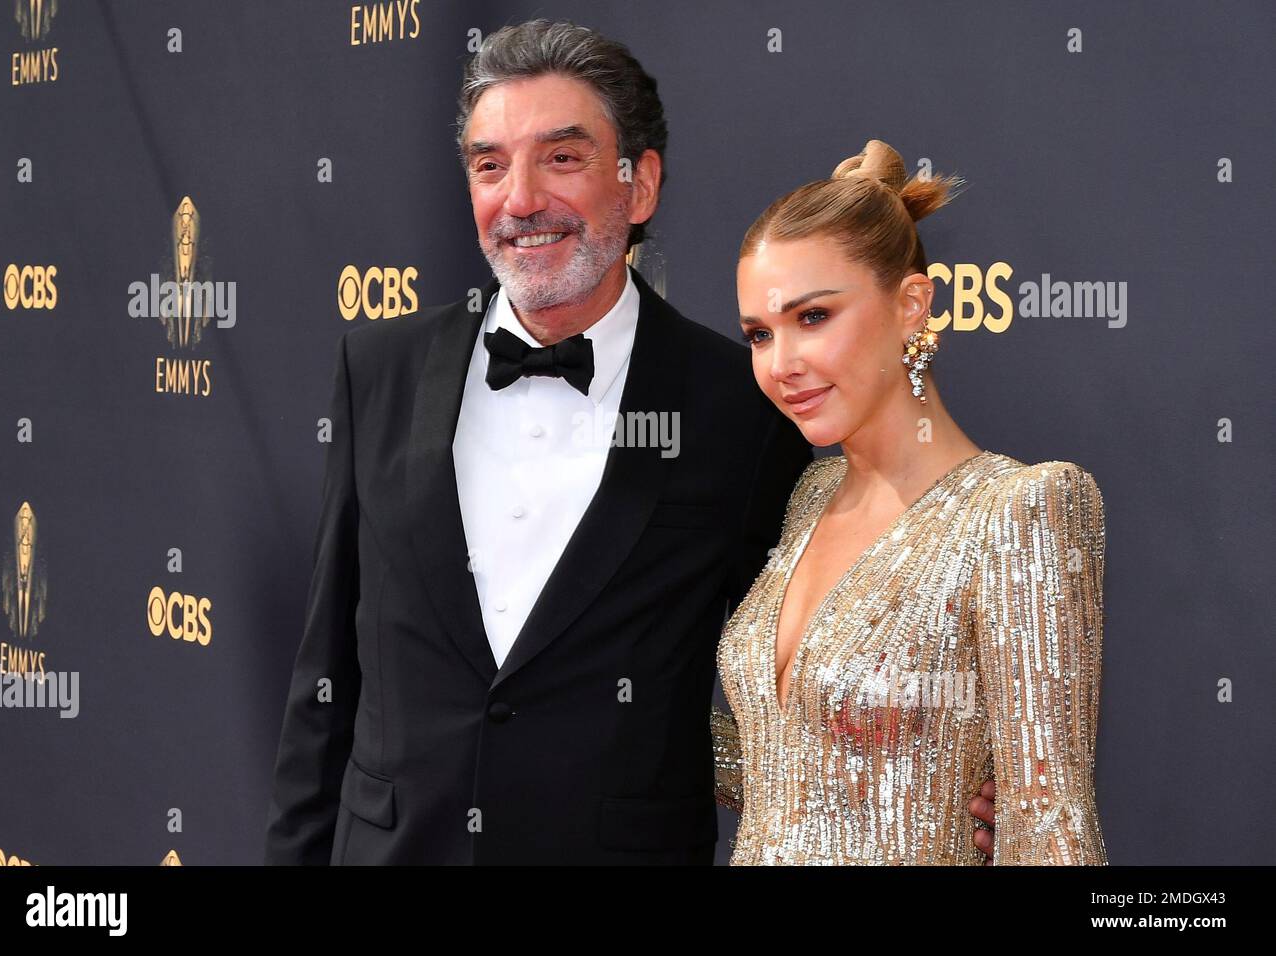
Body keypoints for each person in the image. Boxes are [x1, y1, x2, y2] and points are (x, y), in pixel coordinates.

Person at [263, 20, 995, 865]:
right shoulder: (379, 369)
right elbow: (323, 684)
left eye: (562, 158)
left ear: (639, 185)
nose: (521, 197)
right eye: (489, 164)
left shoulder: (741, 407)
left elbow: (791, 688)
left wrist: (940, 777)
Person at [712, 139, 1107, 864]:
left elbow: (1049, 823)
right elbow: (788, 770)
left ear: (911, 305)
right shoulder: (810, 496)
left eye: (813, 318)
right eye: (760, 335)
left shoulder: (1020, 510)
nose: (781, 365)